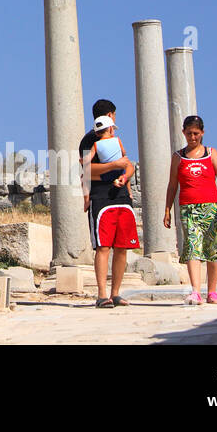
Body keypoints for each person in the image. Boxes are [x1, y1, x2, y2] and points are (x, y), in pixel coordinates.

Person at [163, 114, 217, 304]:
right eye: (189, 133)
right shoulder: (178, 157)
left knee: (213, 247)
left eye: (196, 133)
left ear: (202, 133)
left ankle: (212, 291)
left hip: (211, 206)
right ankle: (195, 290)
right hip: (188, 208)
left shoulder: (212, 153)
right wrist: (168, 209)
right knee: (193, 246)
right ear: (183, 133)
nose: (192, 137)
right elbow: (172, 185)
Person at [80, 99, 138, 308]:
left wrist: (125, 178)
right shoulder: (89, 141)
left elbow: (128, 165)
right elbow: (86, 171)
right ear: (111, 115)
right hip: (100, 197)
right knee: (103, 247)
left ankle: (116, 293)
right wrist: (114, 165)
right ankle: (102, 294)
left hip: (121, 196)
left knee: (122, 247)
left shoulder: (116, 139)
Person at [87, 114, 134, 201]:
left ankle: (86, 201)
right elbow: (123, 153)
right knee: (126, 170)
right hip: (120, 171)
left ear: (96, 133)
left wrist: (82, 160)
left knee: (87, 176)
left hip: (106, 175)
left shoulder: (95, 144)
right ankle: (129, 192)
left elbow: (88, 159)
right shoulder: (117, 140)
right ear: (111, 129)